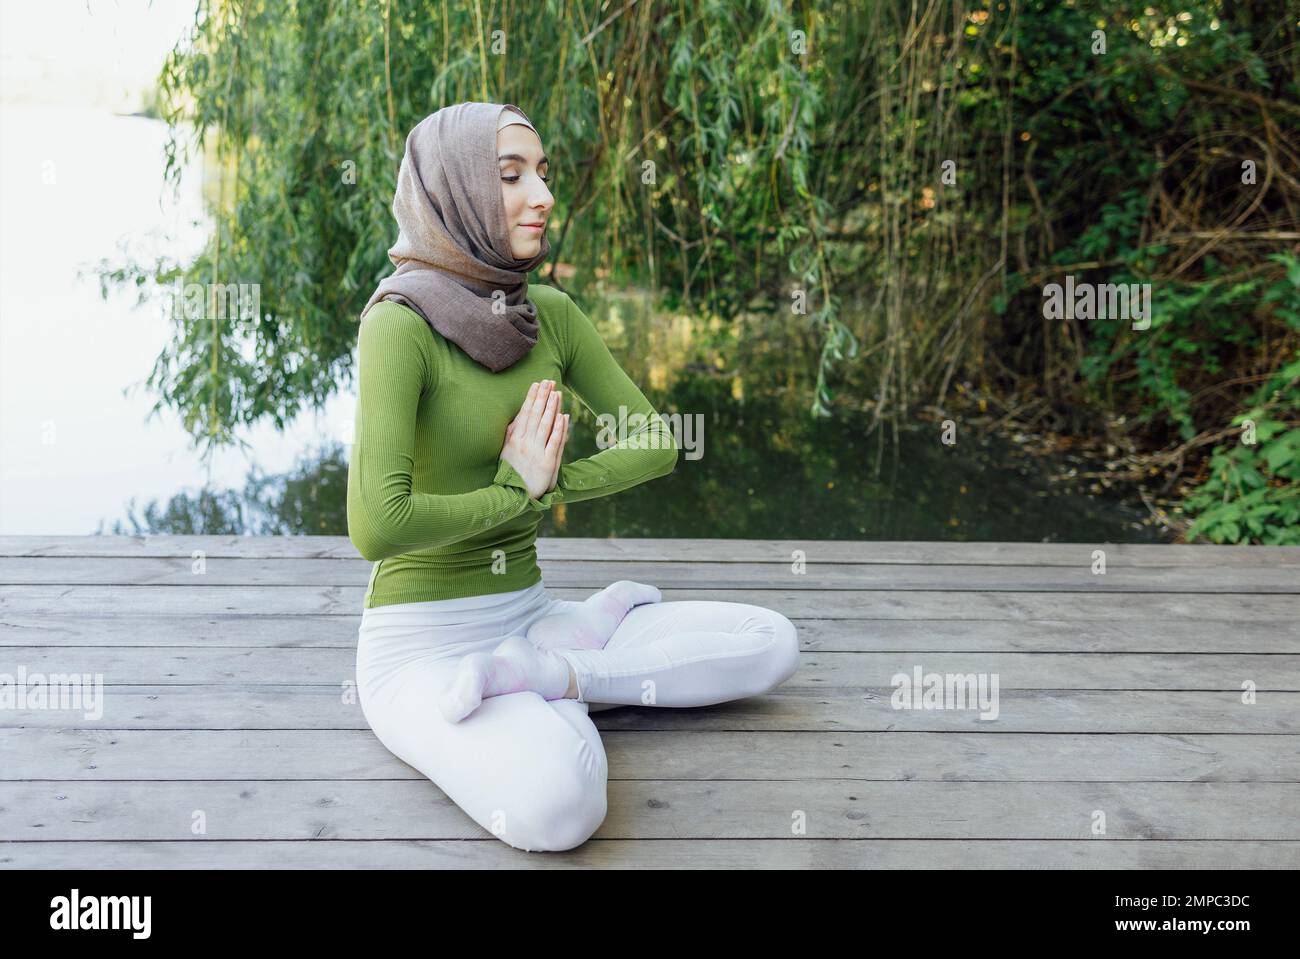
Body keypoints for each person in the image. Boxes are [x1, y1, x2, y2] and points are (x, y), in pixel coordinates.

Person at [347, 101, 800, 853]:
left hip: (533, 616)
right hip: (419, 649)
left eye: (544, 173)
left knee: (771, 640)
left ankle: (554, 674)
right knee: (559, 807)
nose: (544, 195)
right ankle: (561, 676)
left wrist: (547, 486)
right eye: (511, 175)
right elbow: (377, 525)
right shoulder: (397, 325)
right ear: (454, 192)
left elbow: (656, 443)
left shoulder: (548, 314)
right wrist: (508, 491)